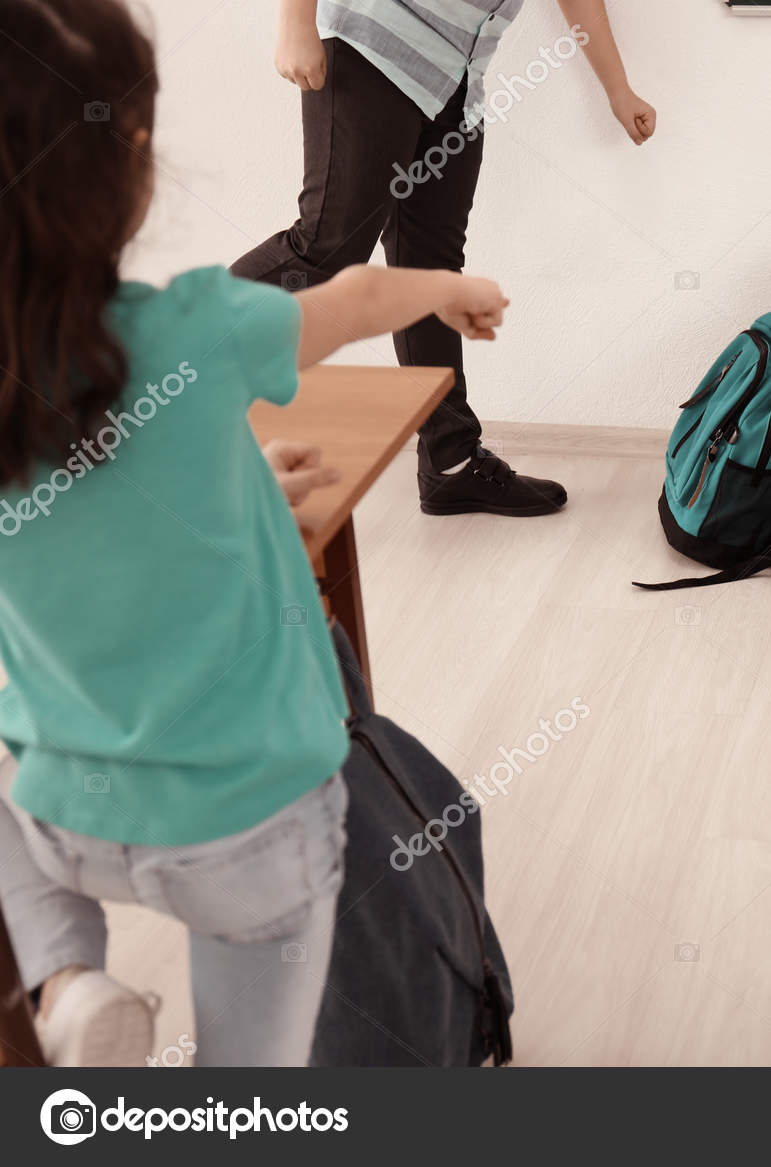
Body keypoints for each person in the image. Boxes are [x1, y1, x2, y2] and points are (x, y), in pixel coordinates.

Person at [0, 0, 511, 1067]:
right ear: (128, 166)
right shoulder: (195, 327)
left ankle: (66, 976)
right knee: (255, 1080)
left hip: (62, 816)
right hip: (244, 829)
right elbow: (362, 293)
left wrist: (214, 492)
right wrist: (451, 289)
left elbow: (77, 524)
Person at [232, 0, 658, 517]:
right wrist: (295, 22)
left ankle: (450, 462)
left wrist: (617, 89)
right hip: (376, 51)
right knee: (325, 248)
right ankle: (150, 368)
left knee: (430, 271)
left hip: (457, 82)